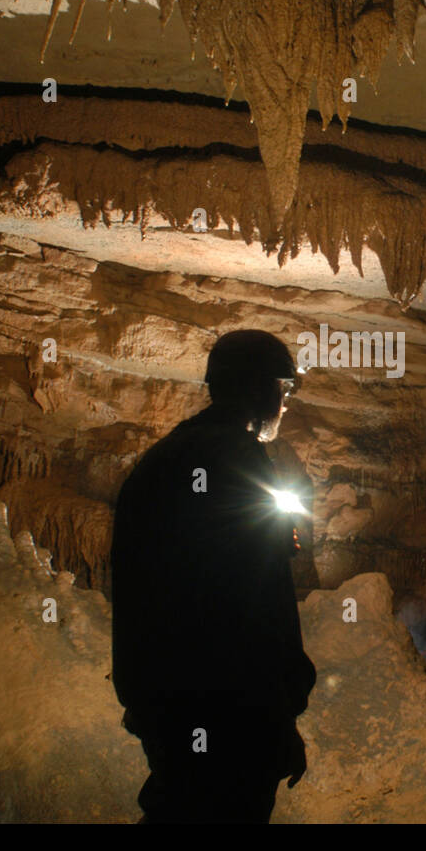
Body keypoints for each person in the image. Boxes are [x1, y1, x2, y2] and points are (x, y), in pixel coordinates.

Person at [110, 329, 317, 823]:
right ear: (259, 388)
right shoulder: (238, 461)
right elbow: (256, 603)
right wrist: (280, 712)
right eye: (283, 389)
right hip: (229, 710)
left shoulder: (164, 458)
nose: (284, 404)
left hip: (166, 699)